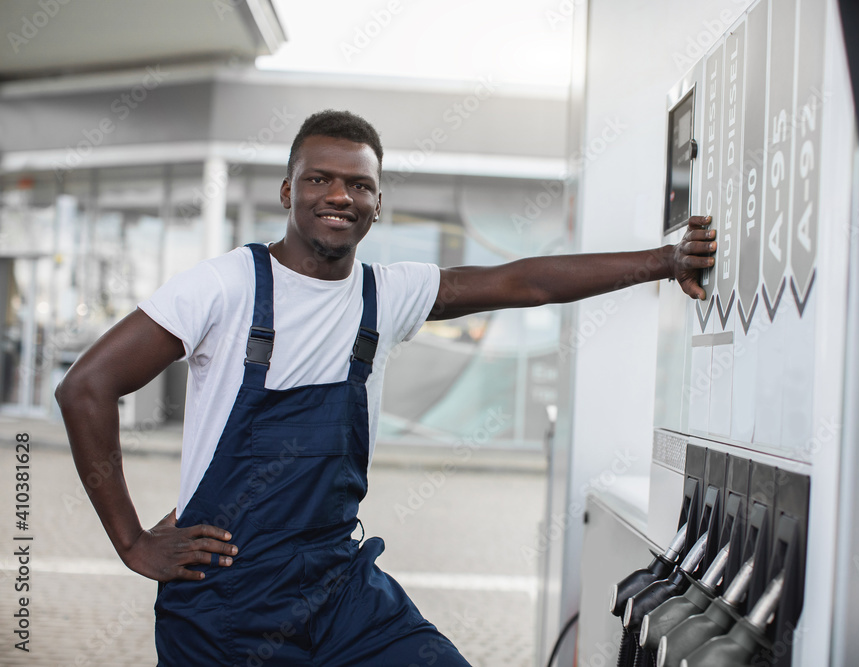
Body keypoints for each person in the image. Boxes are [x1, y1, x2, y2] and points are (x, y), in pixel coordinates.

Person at [55, 109, 716, 665]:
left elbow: (524, 282)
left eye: (358, 184)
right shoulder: (226, 286)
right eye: (319, 178)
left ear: (377, 201)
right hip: (227, 603)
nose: (339, 195)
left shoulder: (386, 294)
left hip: (339, 587)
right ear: (288, 191)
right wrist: (133, 542)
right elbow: (87, 385)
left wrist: (663, 260)